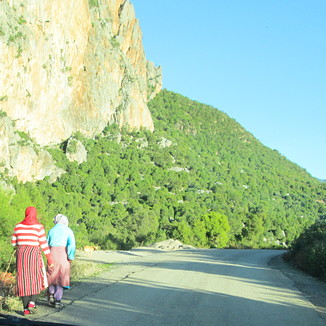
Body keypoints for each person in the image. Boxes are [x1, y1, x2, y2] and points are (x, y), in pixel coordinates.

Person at [11, 206, 54, 316]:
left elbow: (13, 243)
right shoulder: (38, 227)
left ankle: (25, 309)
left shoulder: (18, 226)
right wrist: (49, 259)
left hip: (21, 255)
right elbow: (43, 244)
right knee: (36, 278)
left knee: (23, 280)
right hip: (34, 254)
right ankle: (31, 302)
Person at [46, 214, 76, 309]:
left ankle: (51, 294)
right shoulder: (68, 231)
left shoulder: (51, 230)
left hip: (52, 254)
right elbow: (71, 245)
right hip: (63, 254)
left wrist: (48, 256)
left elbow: (46, 244)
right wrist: (70, 257)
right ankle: (58, 300)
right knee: (61, 276)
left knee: (51, 275)